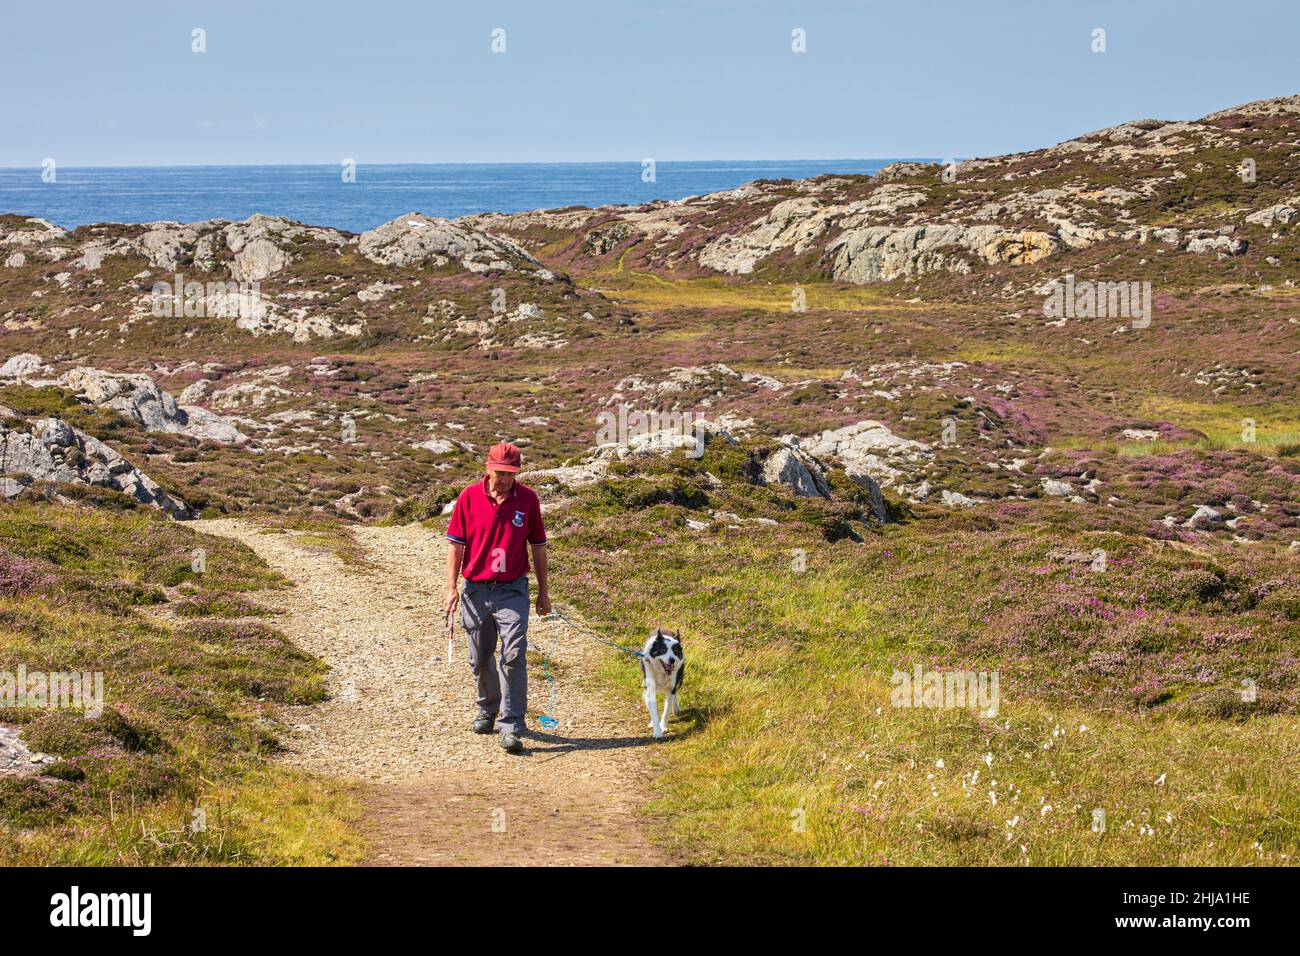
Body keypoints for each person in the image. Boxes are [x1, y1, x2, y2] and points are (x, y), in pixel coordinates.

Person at [443, 441, 550, 754]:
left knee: (514, 654)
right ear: (487, 467)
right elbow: (455, 546)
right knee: (479, 657)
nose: (503, 478)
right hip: (476, 589)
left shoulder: (528, 499)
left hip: (512, 590)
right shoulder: (468, 497)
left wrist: (543, 592)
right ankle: (488, 708)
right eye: (498, 471)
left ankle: (512, 723)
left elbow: (539, 547)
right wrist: (451, 588)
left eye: (509, 473)